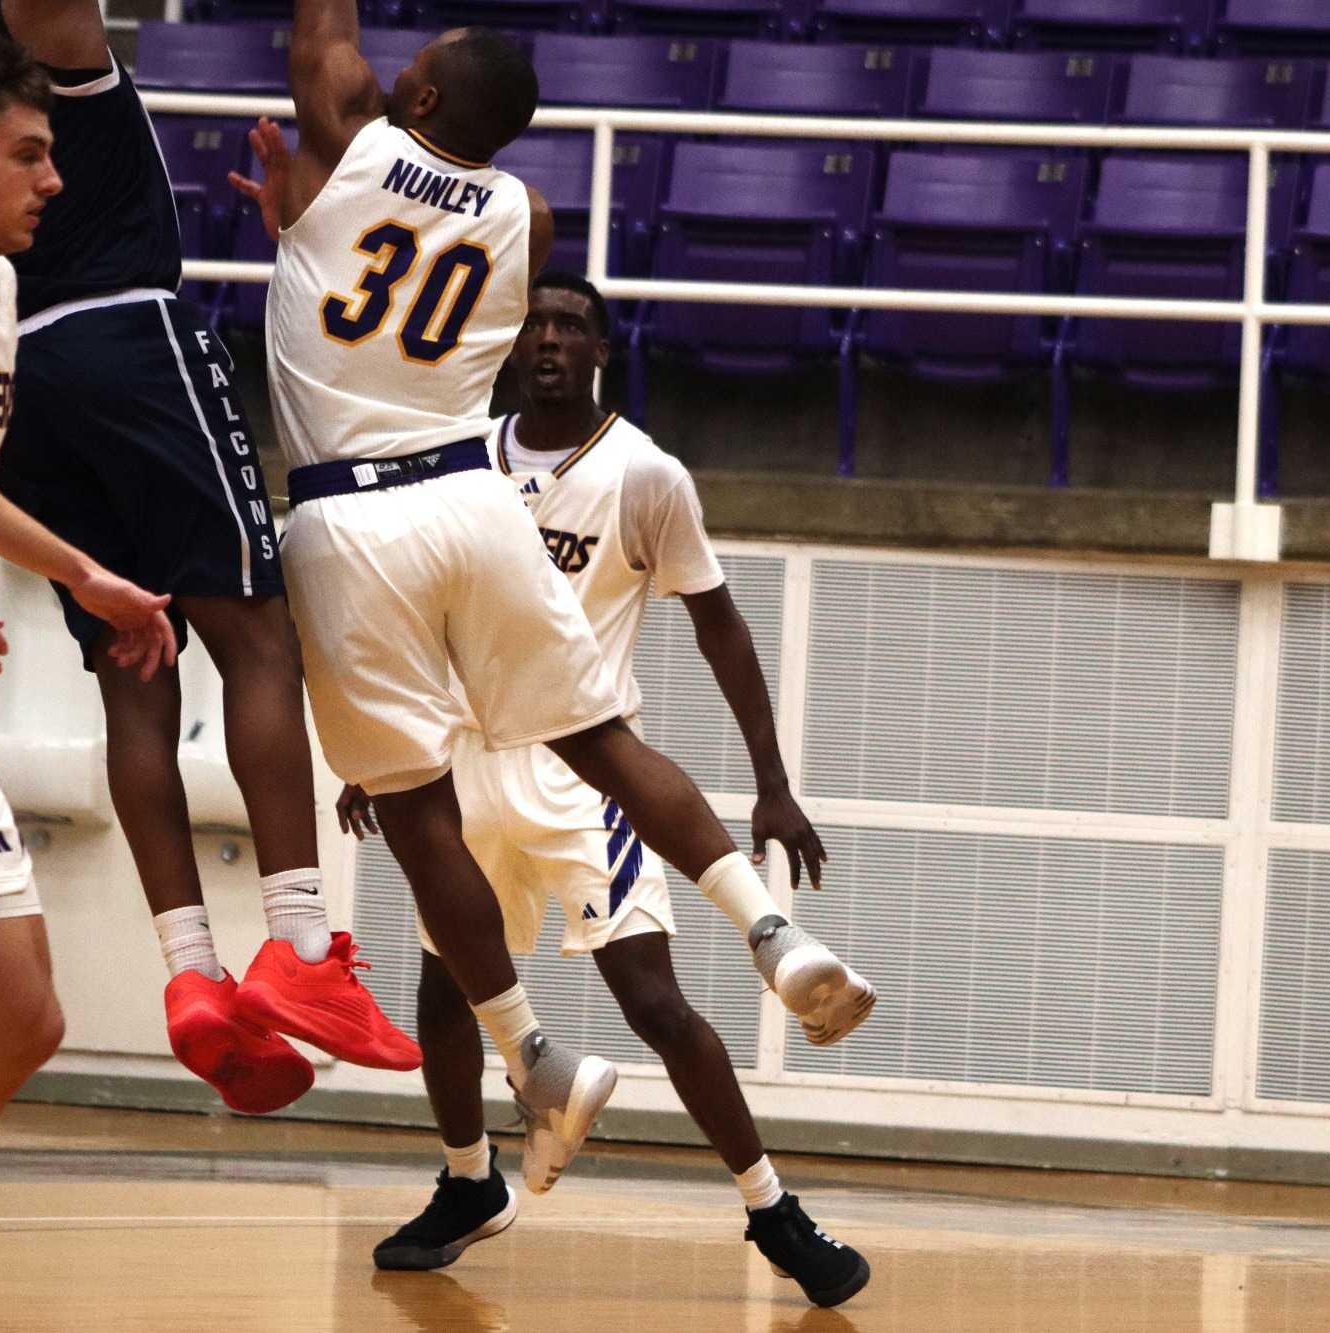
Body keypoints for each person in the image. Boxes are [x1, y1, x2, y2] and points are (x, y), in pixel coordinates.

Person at [262, 2, 874, 1303]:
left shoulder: (645, 471)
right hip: (460, 602)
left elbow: (717, 620)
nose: (547, 339)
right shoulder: (517, 223)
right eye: (536, 326)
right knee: (442, 983)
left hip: (465, 656)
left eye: (569, 328)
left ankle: (753, 1192)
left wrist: (772, 777)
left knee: (651, 997)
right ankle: (469, 1171)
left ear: (601, 347)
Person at [0, 0, 419, 1113]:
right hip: (127, 336)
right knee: (257, 639)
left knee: (134, 667)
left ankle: (193, 973)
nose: (46, 173)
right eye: (31, 155)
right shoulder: (25, 53)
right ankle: (301, 944)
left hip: (14, 372)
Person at [0, 28, 180, 1229]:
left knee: (19, 1017)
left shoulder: (0, 294)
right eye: (27, 153)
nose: (54, 179)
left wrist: (86, 573)